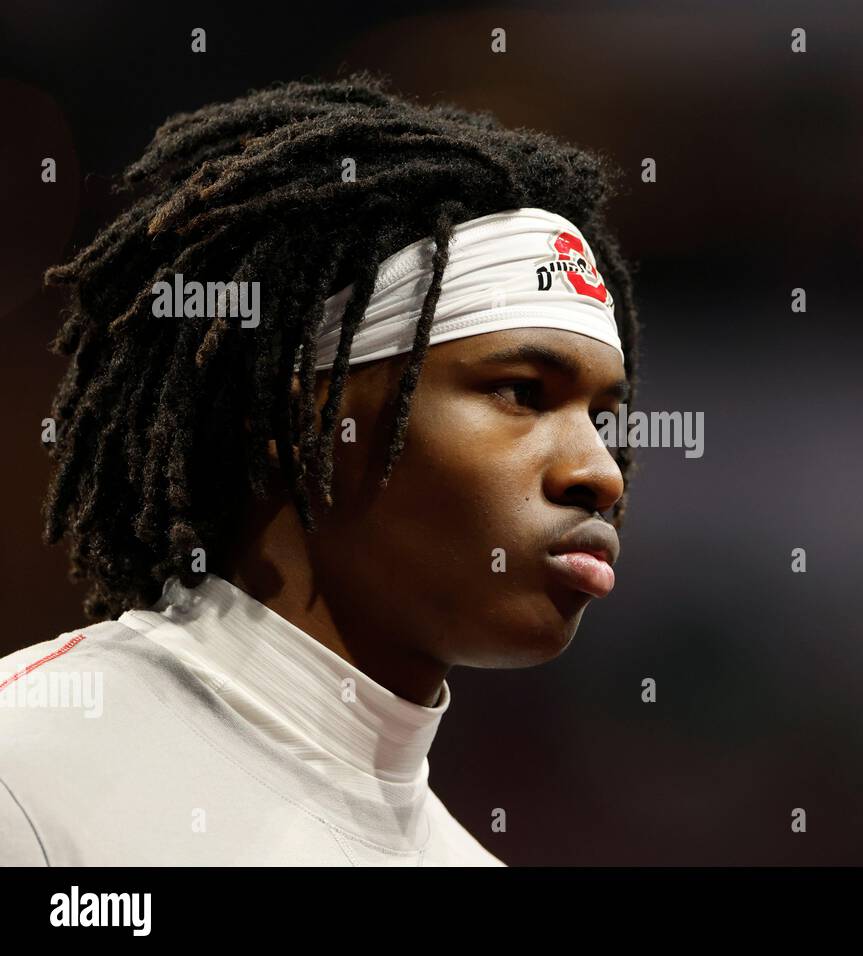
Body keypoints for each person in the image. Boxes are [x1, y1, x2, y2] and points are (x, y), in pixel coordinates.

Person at [0, 72, 640, 866]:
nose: (599, 473)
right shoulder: (24, 779)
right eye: (521, 392)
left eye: (603, 419)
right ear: (297, 418)